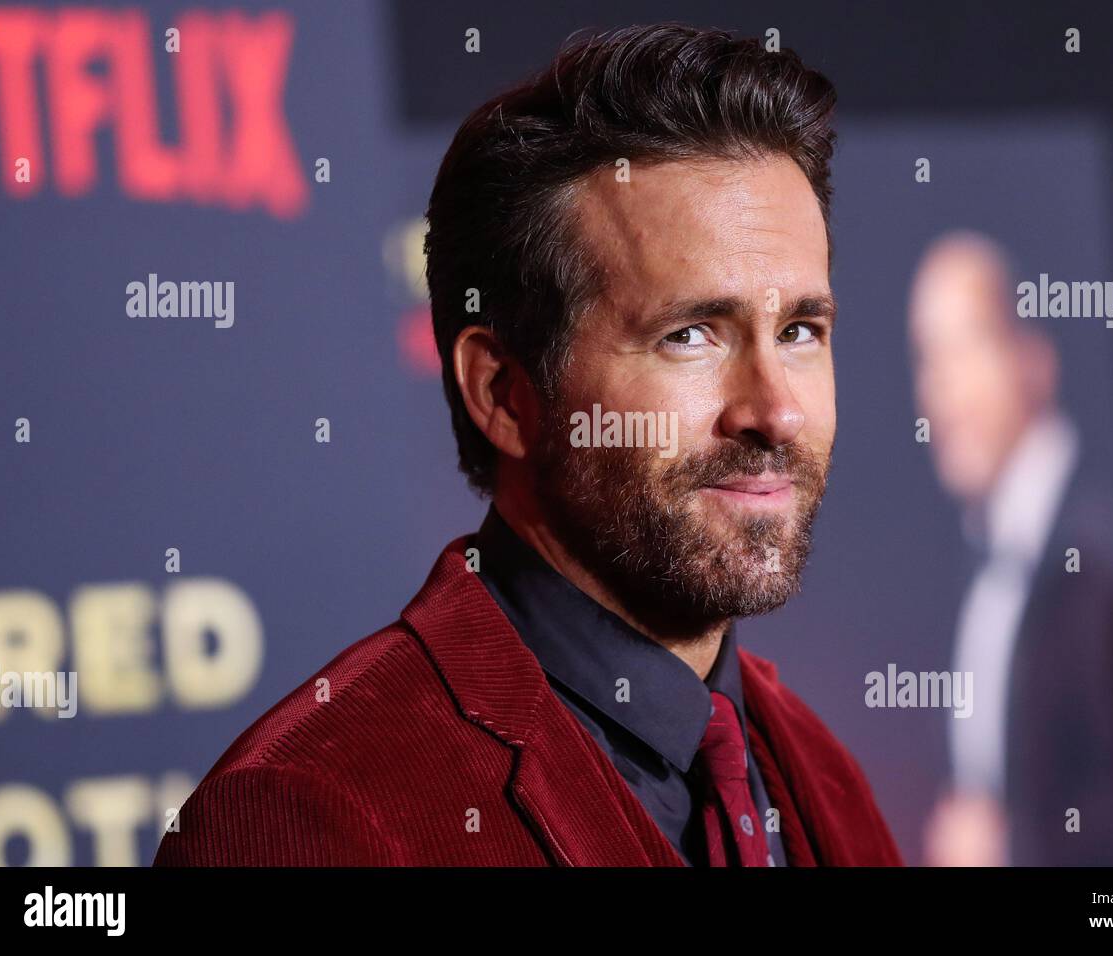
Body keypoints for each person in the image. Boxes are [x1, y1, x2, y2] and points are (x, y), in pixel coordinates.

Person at [153, 24, 901, 867]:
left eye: (801, 329)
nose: (776, 412)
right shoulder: (306, 817)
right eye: (691, 335)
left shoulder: (817, 771)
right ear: (503, 393)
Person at [909, 231, 1113, 865]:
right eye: (928, 359)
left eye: (968, 346)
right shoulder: (982, 558)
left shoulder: (1109, 555)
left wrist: (1010, 850)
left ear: (1034, 357)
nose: (941, 391)